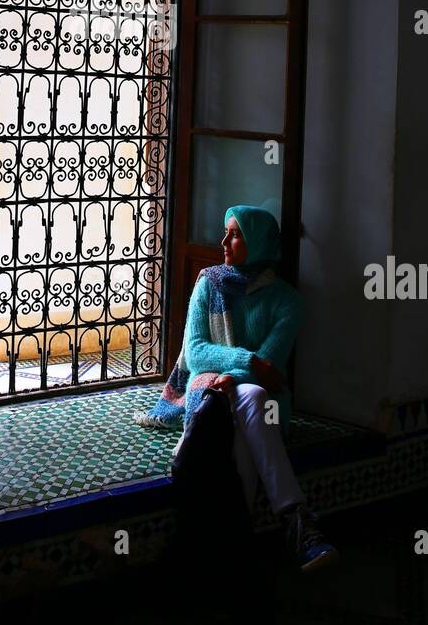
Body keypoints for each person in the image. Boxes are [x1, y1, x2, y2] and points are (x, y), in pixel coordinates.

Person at [137, 202, 338, 571]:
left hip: (263, 407)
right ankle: (296, 523)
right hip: (223, 397)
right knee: (252, 400)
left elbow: (272, 365)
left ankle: (230, 551)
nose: (223, 241)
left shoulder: (286, 302)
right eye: (226, 232)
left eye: (235, 234)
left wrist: (233, 375)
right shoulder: (209, 285)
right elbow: (197, 354)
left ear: (259, 242)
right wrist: (248, 364)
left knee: (252, 403)